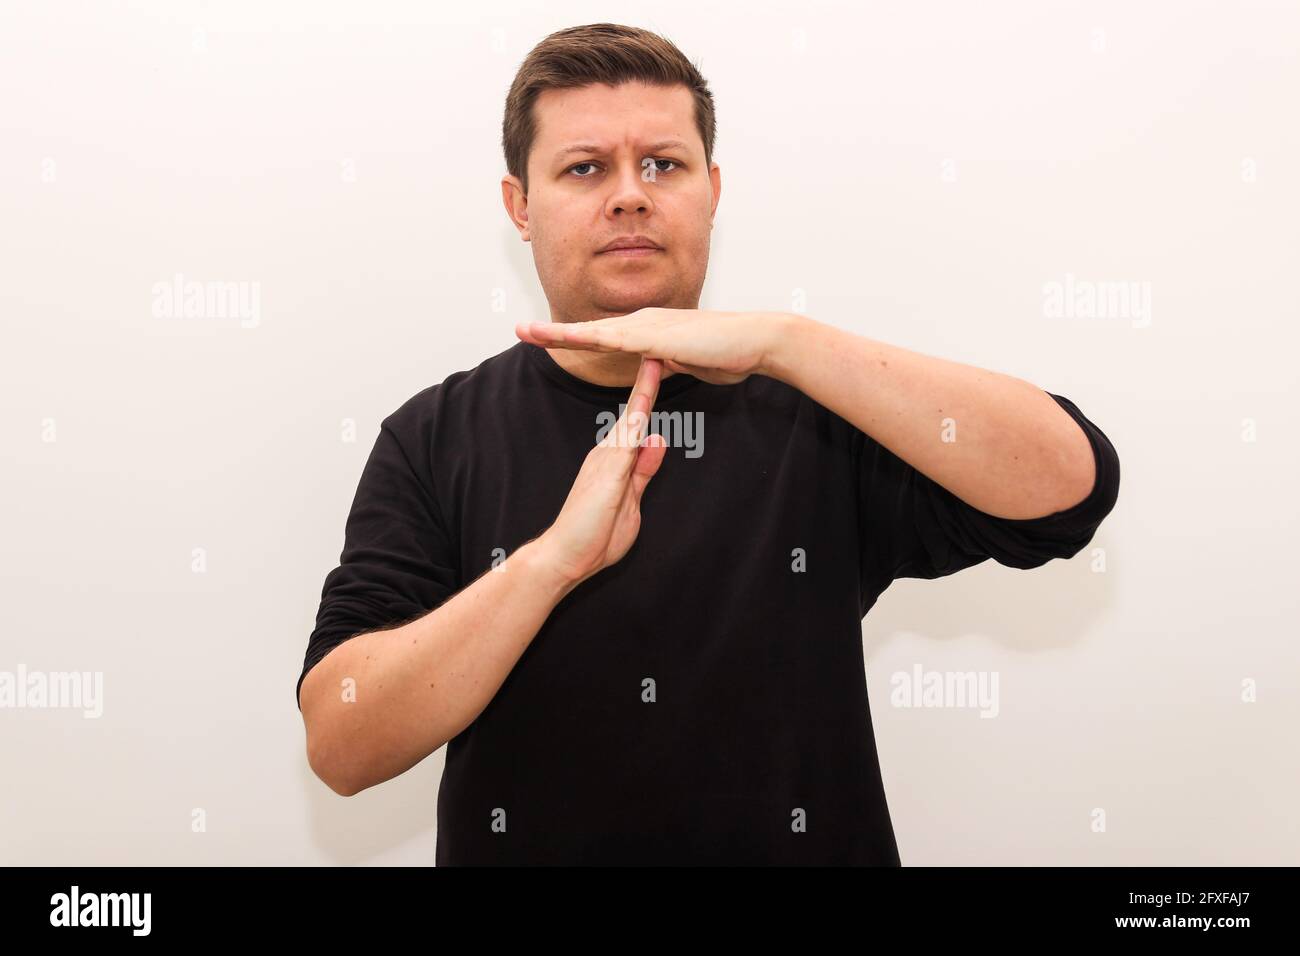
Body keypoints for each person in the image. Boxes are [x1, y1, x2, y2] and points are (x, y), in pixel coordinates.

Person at [296, 23, 1121, 865]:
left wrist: (784, 344)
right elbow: (341, 744)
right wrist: (549, 565)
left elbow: (1071, 485)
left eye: (664, 164)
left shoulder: (812, 408)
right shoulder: (434, 436)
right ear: (520, 205)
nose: (630, 195)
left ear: (713, 191)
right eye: (585, 168)